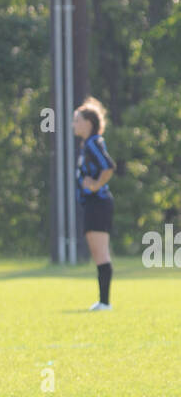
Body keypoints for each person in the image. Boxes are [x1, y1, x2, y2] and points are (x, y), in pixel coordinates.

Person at [73, 97, 116, 310]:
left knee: (100, 253)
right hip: (93, 204)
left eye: (77, 120)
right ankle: (103, 301)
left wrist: (96, 185)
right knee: (97, 253)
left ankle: (105, 302)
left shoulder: (93, 143)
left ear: (88, 123)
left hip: (98, 203)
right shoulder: (87, 144)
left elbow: (108, 166)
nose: (74, 125)